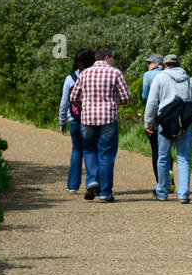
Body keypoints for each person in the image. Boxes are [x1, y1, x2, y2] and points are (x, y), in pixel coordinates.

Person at [70, 45, 132, 203]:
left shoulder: (84, 74)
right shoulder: (115, 72)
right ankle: (105, 192)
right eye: (113, 57)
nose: (114, 60)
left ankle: (92, 181)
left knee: (89, 150)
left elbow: (73, 97)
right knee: (106, 154)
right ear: (107, 57)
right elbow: (126, 97)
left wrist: (85, 104)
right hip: (108, 119)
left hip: (87, 119)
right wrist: (113, 102)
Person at [144, 54, 192, 203]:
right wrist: (190, 123)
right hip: (184, 123)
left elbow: (152, 102)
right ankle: (183, 194)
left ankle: (162, 191)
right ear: (178, 64)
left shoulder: (160, 78)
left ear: (165, 65)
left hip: (166, 123)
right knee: (184, 158)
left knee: (162, 158)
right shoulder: (189, 80)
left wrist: (149, 123)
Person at [59, 48, 95, 192]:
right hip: (91, 119)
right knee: (91, 150)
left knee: (76, 150)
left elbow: (64, 102)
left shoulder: (70, 78)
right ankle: (91, 182)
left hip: (73, 119)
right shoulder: (93, 76)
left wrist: (62, 121)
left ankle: (73, 186)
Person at [141, 54, 165, 187]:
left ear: (156, 63)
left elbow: (145, 96)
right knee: (166, 149)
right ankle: (170, 177)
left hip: (154, 116)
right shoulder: (168, 74)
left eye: (149, 62)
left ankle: (160, 183)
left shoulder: (147, 75)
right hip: (168, 117)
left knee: (156, 150)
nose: (148, 65)